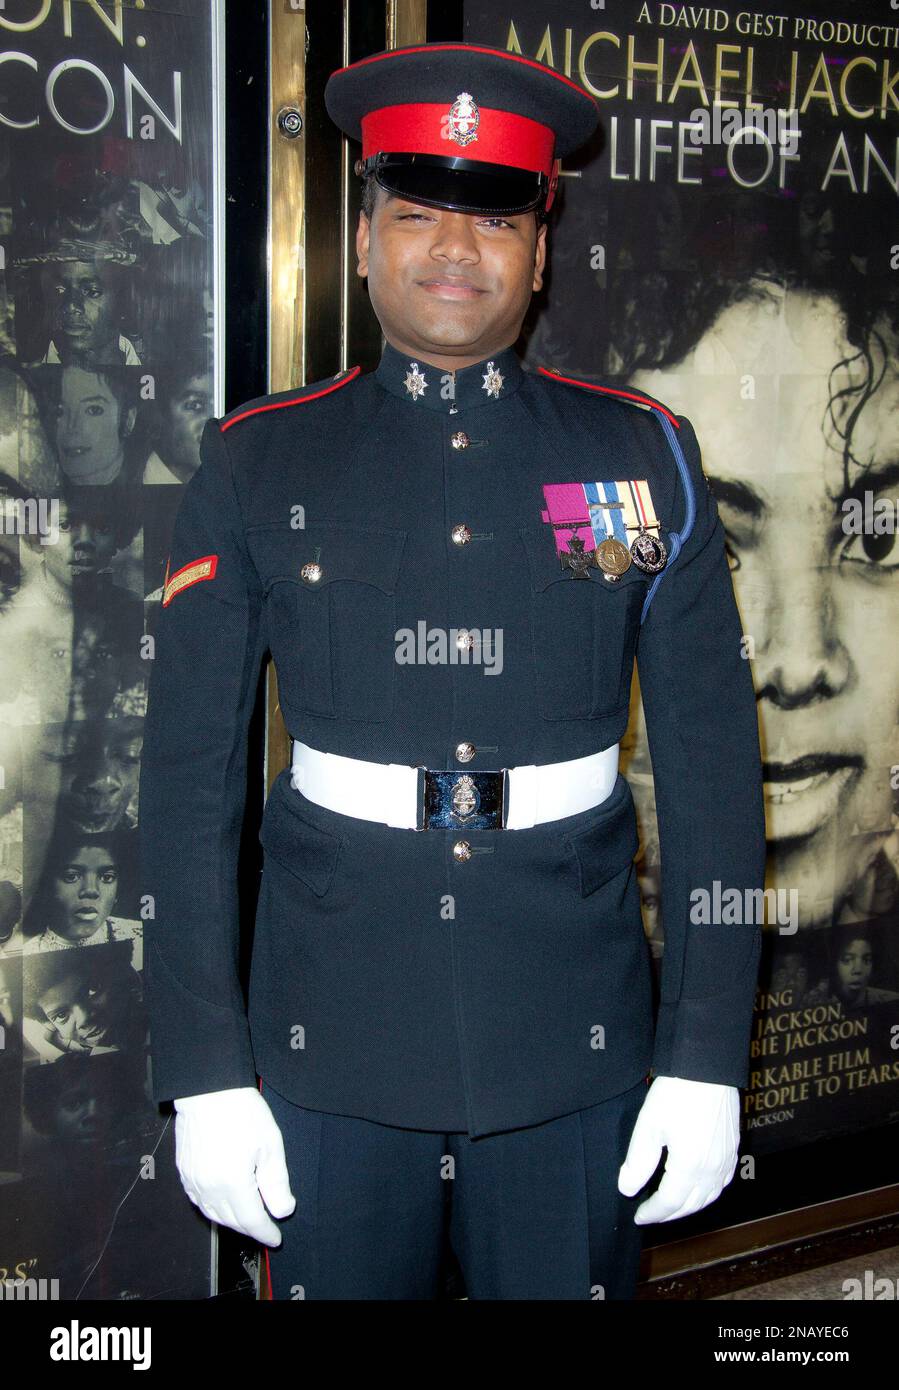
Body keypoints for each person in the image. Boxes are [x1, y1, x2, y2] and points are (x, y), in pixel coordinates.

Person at [139, 42, 766, 1300]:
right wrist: (204, 1068)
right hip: (330, 1033)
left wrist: (702, 1057)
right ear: (361, 237)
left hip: (569, 1033)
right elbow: (186, 784)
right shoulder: (260, 464)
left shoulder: (632, 459)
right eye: (414, 213)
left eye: (489, 222)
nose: (449, 252)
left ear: (540, 249)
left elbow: (709, 775)